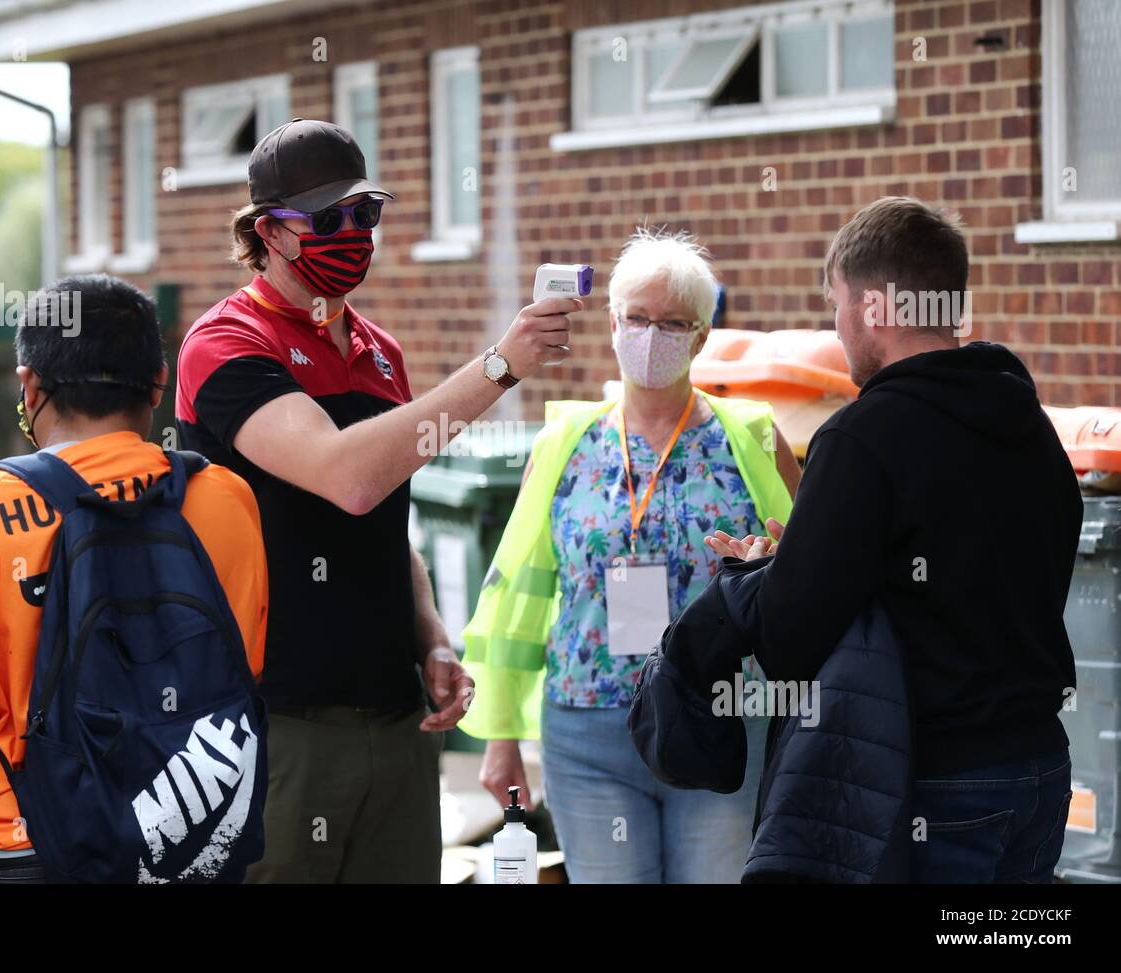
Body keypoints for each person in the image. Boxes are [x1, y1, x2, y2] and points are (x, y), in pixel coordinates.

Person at [175, 118, 581, 883]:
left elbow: (386, 527)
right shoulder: (226, 343)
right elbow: (347, 476)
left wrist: (430, 635)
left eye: (366, 213)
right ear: (269, 232)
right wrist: (501, 364)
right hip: (279, 715)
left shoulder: (378, 350)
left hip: (394, 716)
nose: (355, 232)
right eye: (328, 219)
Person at [706, 196, 1082, 883]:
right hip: (1040, 770)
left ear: (876, 308)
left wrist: (765, 571)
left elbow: (790, 640)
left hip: (935, 782)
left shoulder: (862, 437)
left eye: (838, 303)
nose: (838, 326)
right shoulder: (1024, 419)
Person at [0, 275, 269, 883]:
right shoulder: (227, 500)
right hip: (188, 848)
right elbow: (240, 678)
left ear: (30, 385)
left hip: (23, 853)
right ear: (158, 383)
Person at [461, 227, 801, 883]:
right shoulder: (565, 443)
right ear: (612, 323)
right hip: (589, 731)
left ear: (702, 335)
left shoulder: (752, 438)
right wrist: (501, 735)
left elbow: (808, 573)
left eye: (672, 323)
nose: (650, 336)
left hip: (719, 716)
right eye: (637, 318)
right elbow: (514, 593)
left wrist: (764, 564)